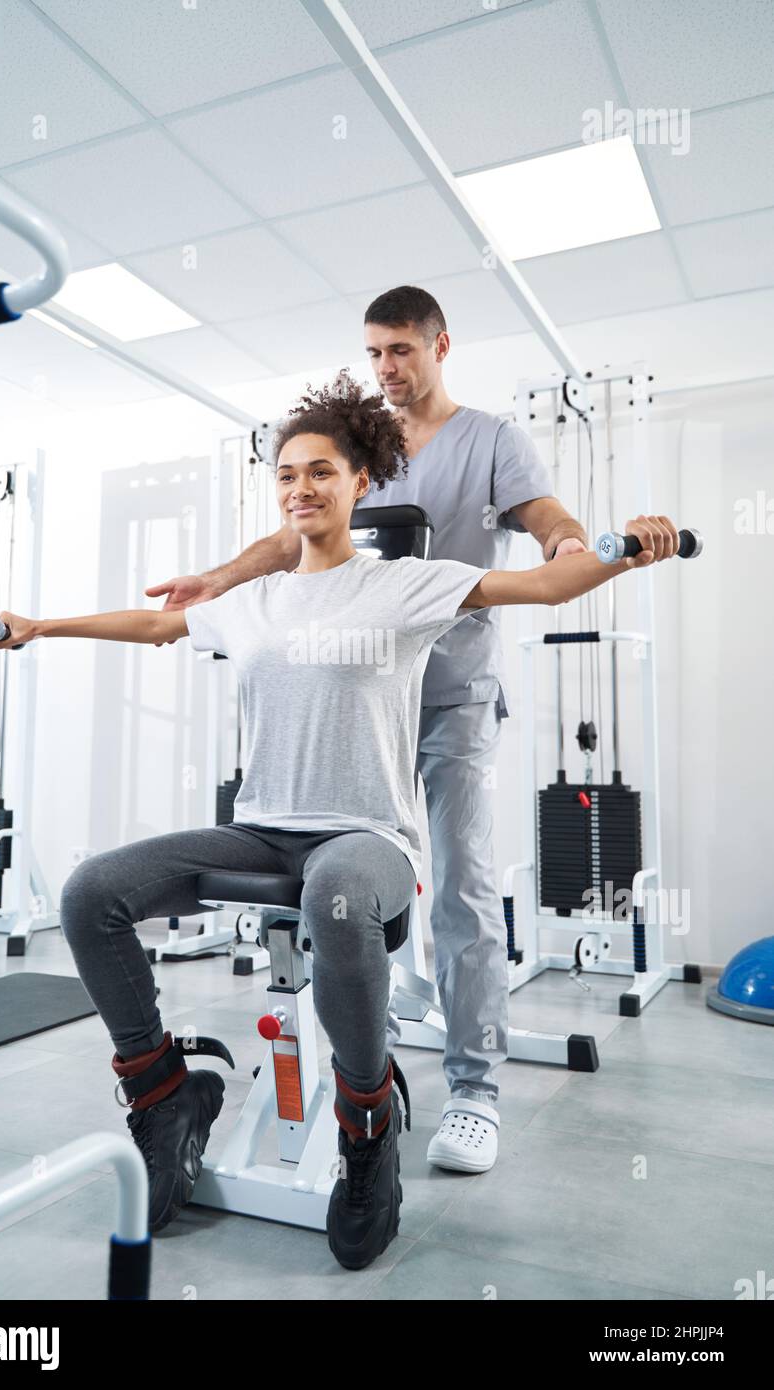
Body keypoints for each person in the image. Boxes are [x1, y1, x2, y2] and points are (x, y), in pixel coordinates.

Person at [0, 372, 680, 1270]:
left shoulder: (411, 585)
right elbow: (157, 627)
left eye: (321, 472)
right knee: (90, 893)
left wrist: (630, 548)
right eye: (286, 475)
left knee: (342, 898)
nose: (301, 488)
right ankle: (163, 1093)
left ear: (363, 483)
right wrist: (40, 624)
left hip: (366, 835)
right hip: (262, 825)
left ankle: (366, 1119)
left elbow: (549, 585)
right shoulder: (253, 600)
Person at [148, 286, 588, 1175]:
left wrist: (571, 542)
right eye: (375, 352)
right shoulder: (360, 449)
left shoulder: (488, 440)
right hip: (351, 695)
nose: (387, 368)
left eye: (401, 350)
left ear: (440, 346)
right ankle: (364, 1042)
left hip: (449, 694)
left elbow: (543, 520)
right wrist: (219, 580)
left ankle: (473, 1090)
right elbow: (293, 541)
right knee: (342, 878)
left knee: (461, 889)